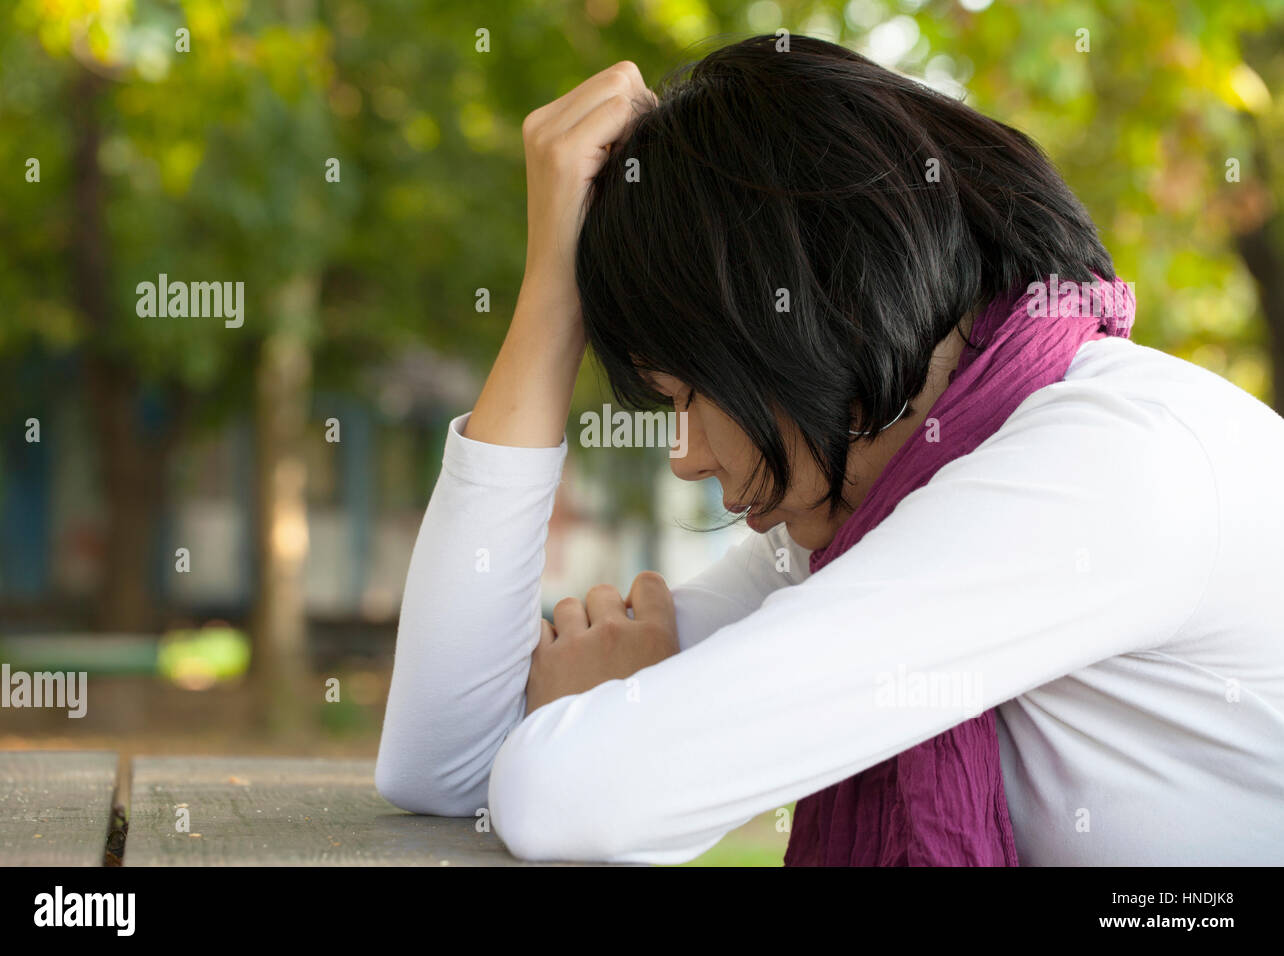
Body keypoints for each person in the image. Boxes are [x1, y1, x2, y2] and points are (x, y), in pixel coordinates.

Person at [375, 34, 1284, 865]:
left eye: (688, 395)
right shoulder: (875, 515)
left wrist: (604, 716)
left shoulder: (1110, 468)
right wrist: (550, 297)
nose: (684, 458)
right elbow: (443, 763)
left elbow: (566, 797)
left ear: (805, 323)